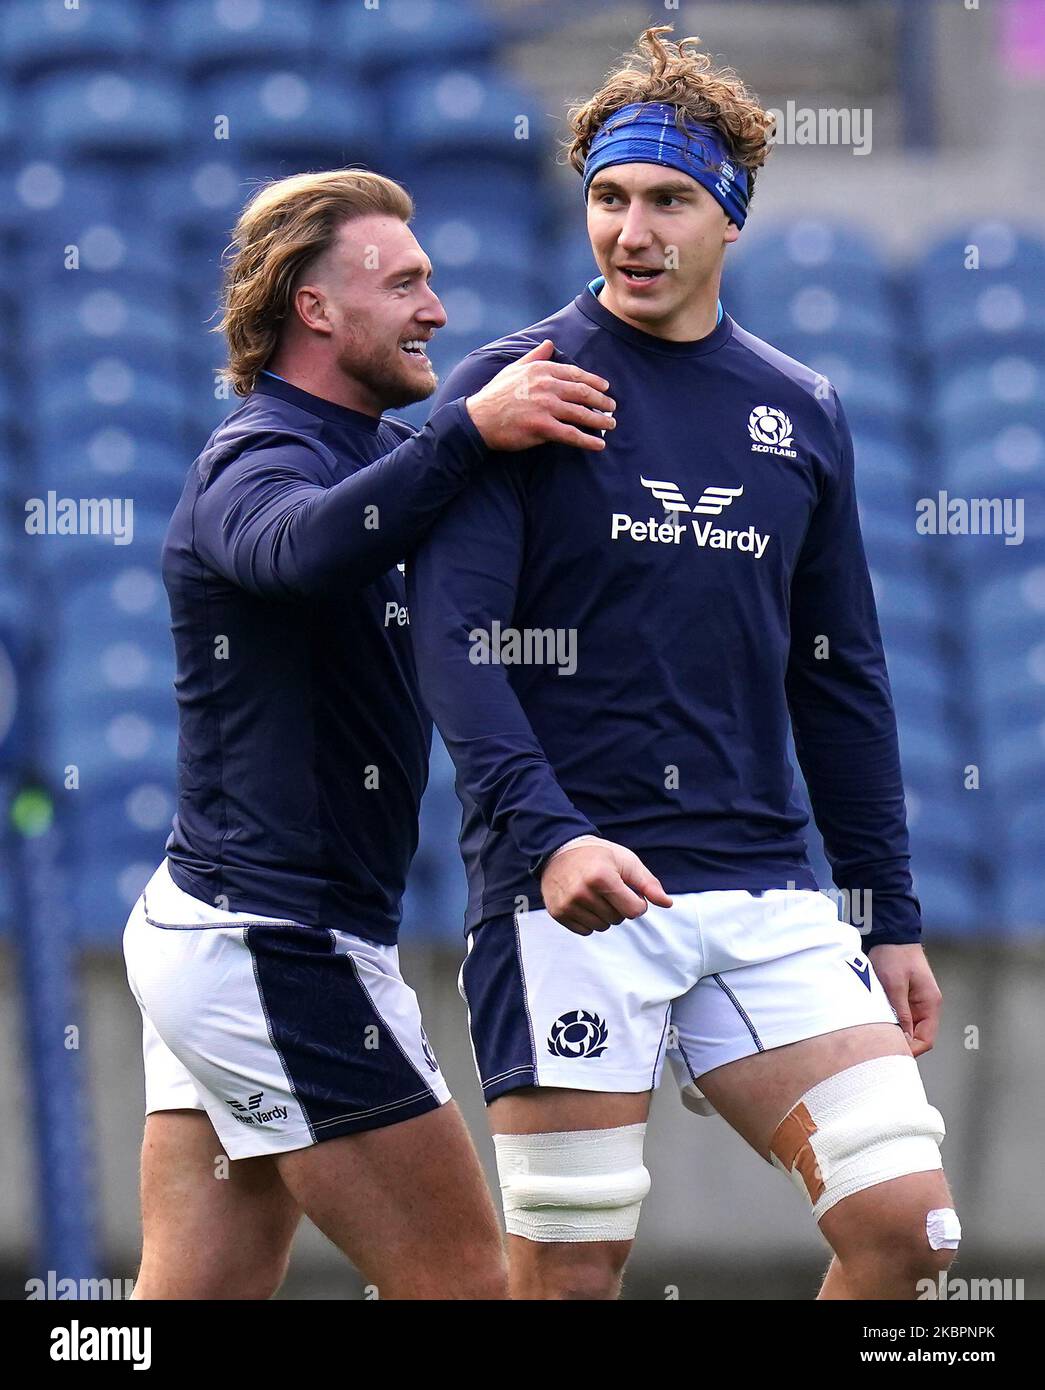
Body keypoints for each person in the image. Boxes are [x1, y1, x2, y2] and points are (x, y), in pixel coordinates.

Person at [407, 29, 960, 1300]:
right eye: (609, 196)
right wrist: (547, 839)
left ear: (730, 220)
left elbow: (841, 675)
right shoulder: (517, 388)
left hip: (766, 892)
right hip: (570, 896)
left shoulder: (798, 408)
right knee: (571, 1267)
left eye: (670, 200)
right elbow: (459, 650)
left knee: (909, 1235)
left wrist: (885, 909)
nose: (633, 230)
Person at [122, 167, 616, 1299]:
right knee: (461, 1282)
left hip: (237, 935)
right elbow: (297, 550)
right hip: (271, 941)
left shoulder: (368, 458)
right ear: (314, 306)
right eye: (404, 284)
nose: (435, 309)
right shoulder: (256, 455)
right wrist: (466, 435)